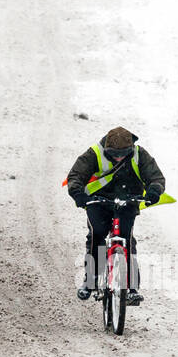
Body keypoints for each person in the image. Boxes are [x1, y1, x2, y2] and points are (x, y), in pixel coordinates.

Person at [67, 126, 166, 305]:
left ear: (130, 149)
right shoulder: (94, 153)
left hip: (128, 200)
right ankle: (91, 280)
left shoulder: (139, 154)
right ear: (107, 149)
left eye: (123, 154)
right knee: (97, 233)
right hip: (98, 201)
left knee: (127, 237)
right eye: (114, 154)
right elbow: (76, 176)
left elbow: (156, 178)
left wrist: (153, 191)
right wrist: (78, 194)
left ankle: (132, 288)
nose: (119, 157)